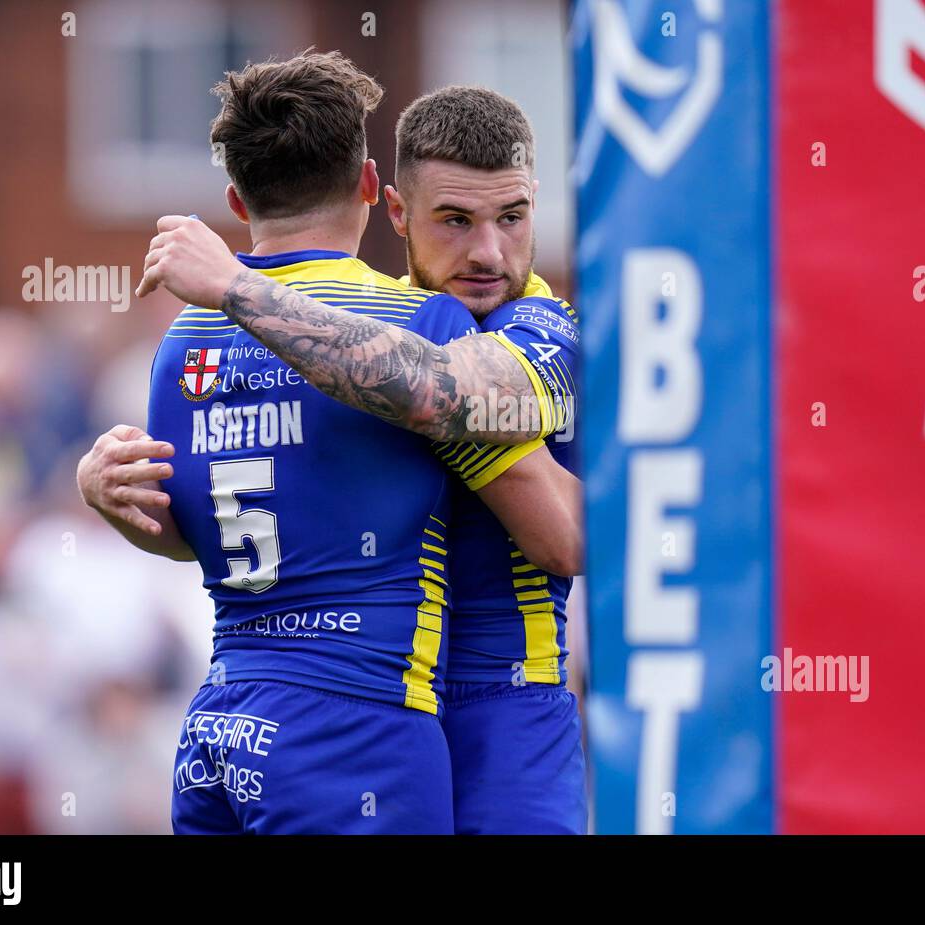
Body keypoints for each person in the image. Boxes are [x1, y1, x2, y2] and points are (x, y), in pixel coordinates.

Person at [79, 50, 574, 834]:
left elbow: (551, 523)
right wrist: (110, 493)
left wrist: (235, 287)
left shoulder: (191, 333)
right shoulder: (416, 323)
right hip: (366, 720)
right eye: (456, 219)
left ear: (236, 199)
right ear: (382, 197)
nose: (487, 253)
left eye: (511, 218)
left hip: (255, 721)